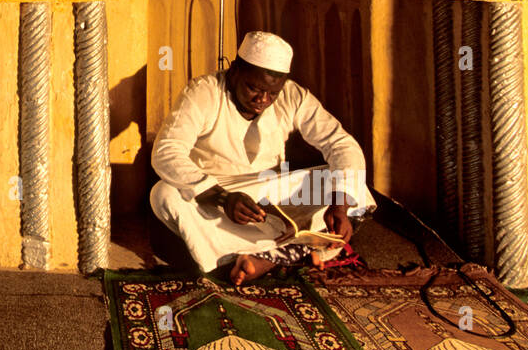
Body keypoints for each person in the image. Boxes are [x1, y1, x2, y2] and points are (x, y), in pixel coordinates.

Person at [149, 30, 376, 285]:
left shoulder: (293, 95)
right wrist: (223, 198)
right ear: (234, 70)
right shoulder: (203, 92)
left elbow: (340, 143)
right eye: (253, 88)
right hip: (215, 195)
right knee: (164, 194)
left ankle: (265, 258)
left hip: (273, 201)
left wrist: (340, 205)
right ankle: (284, 254)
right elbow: (166, 151)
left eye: (272, 93)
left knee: (351, 187)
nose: (262, 100)